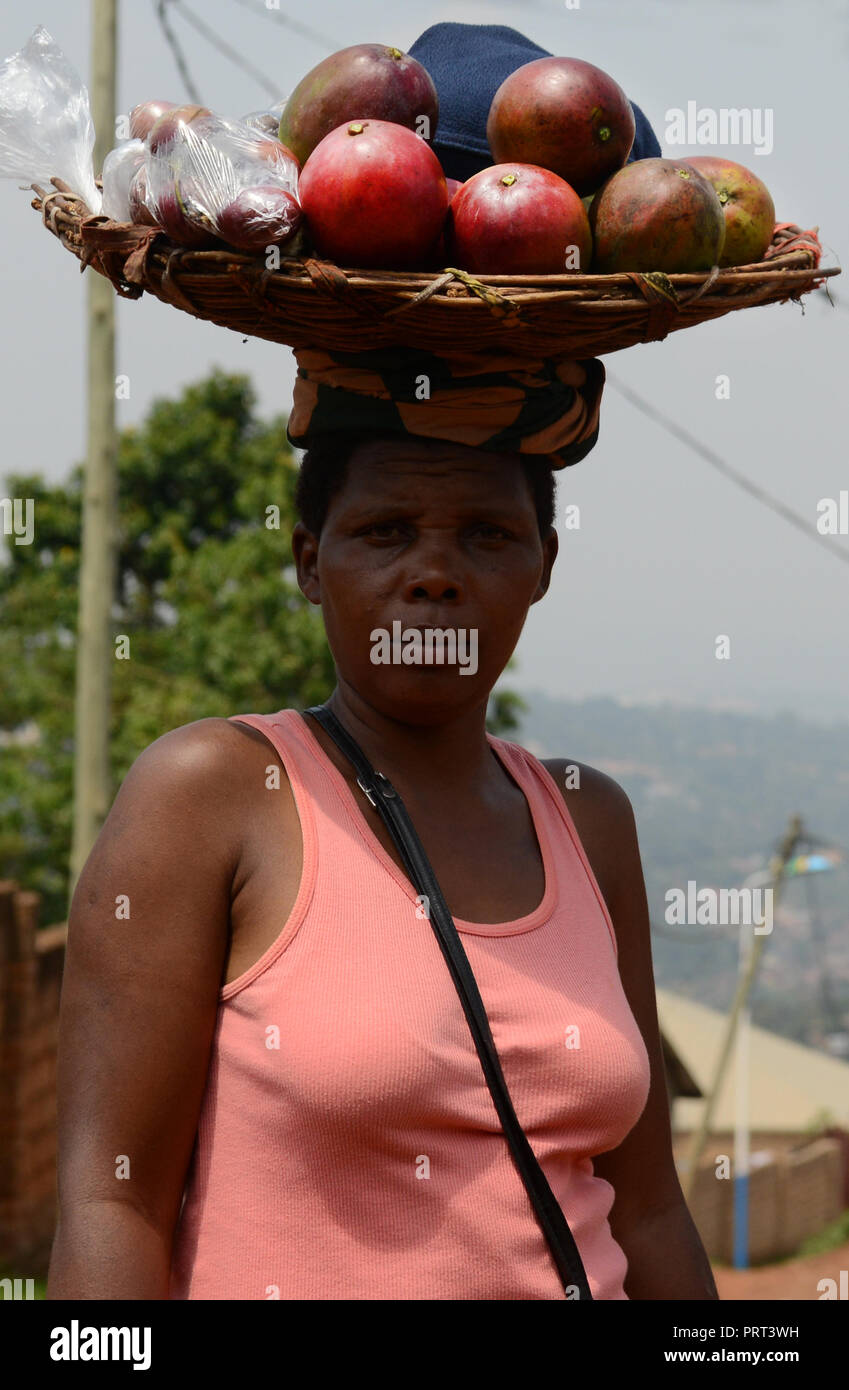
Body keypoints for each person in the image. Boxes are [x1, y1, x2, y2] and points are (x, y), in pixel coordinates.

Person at [46, 344, 717, 1300]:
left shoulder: (587, 818)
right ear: (310, 563)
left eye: (486, 534)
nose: (434, 574)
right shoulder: (212, 794)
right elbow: (113, 1206)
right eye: (386, 531)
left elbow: (648, 1210)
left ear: (543, 565)